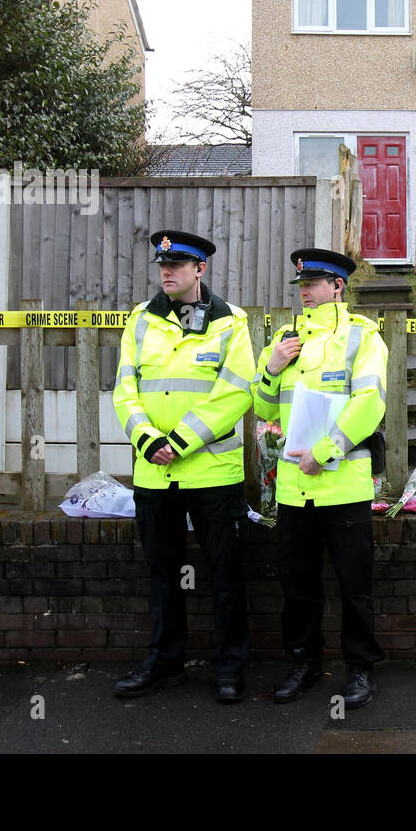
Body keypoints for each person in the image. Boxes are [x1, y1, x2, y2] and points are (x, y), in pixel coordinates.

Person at [111, 230, 257, 703]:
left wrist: (180, 440)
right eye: (162, 265)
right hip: (155, 473)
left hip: (212, 475)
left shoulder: (231, 323)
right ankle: (165, 662)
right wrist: (147, 439)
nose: (167, 272)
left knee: (226, 575)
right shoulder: (139, 321)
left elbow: (235, 392)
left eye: (177, 265)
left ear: (201, 270)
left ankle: (230, 668)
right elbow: (124, 390)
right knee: (162, 574)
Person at [254, 248, 388, 709]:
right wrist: (270, 370)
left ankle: (360, 670)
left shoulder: (362, 337)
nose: (305, 292)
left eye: (313, 283)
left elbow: (369, 404)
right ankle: (304, 662)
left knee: (355, 585)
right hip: (294, 488)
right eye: (301, 285)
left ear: (337, 286)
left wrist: (326, 450)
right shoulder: (286, 340)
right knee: (298, 586)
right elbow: (266, 410)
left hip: (344, 484)